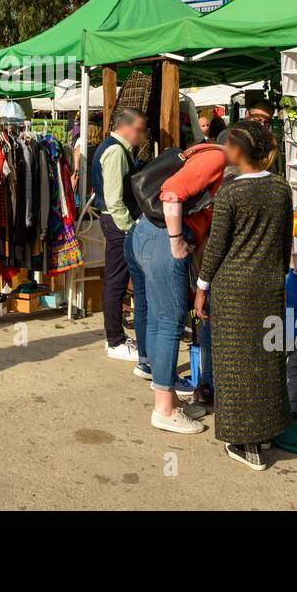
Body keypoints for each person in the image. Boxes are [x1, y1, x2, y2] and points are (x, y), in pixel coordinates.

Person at [196, 121, 294, 470]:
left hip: (233, 289)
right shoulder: (281, 188)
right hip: (268, 286)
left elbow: (216, 246)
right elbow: (285, 244)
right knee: (266, 362)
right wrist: (277, 278)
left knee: (234, 365)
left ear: (237, 149)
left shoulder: (230, 192)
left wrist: (201, 287)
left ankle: (242, 441)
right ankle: (265, 429)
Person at [126, 134, 229, 434]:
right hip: (163, 237)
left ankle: (165, 396)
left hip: (145, 232)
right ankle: (164, 409)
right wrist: (175, 243)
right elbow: (171, 193)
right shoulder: (217, 157)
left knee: (161, 322)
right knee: (170, 324)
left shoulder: (199, 153)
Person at [90, 107, 148, 360]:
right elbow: (114, 199)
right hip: (116, 223)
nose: (142, 136)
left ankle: (116, 338)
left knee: (115, 281)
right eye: (141, 130)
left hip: (114, 222)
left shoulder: (114, 148)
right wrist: (129, 227)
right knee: (115, 282)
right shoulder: (115, 150)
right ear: (130, 127)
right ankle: (114, 341)